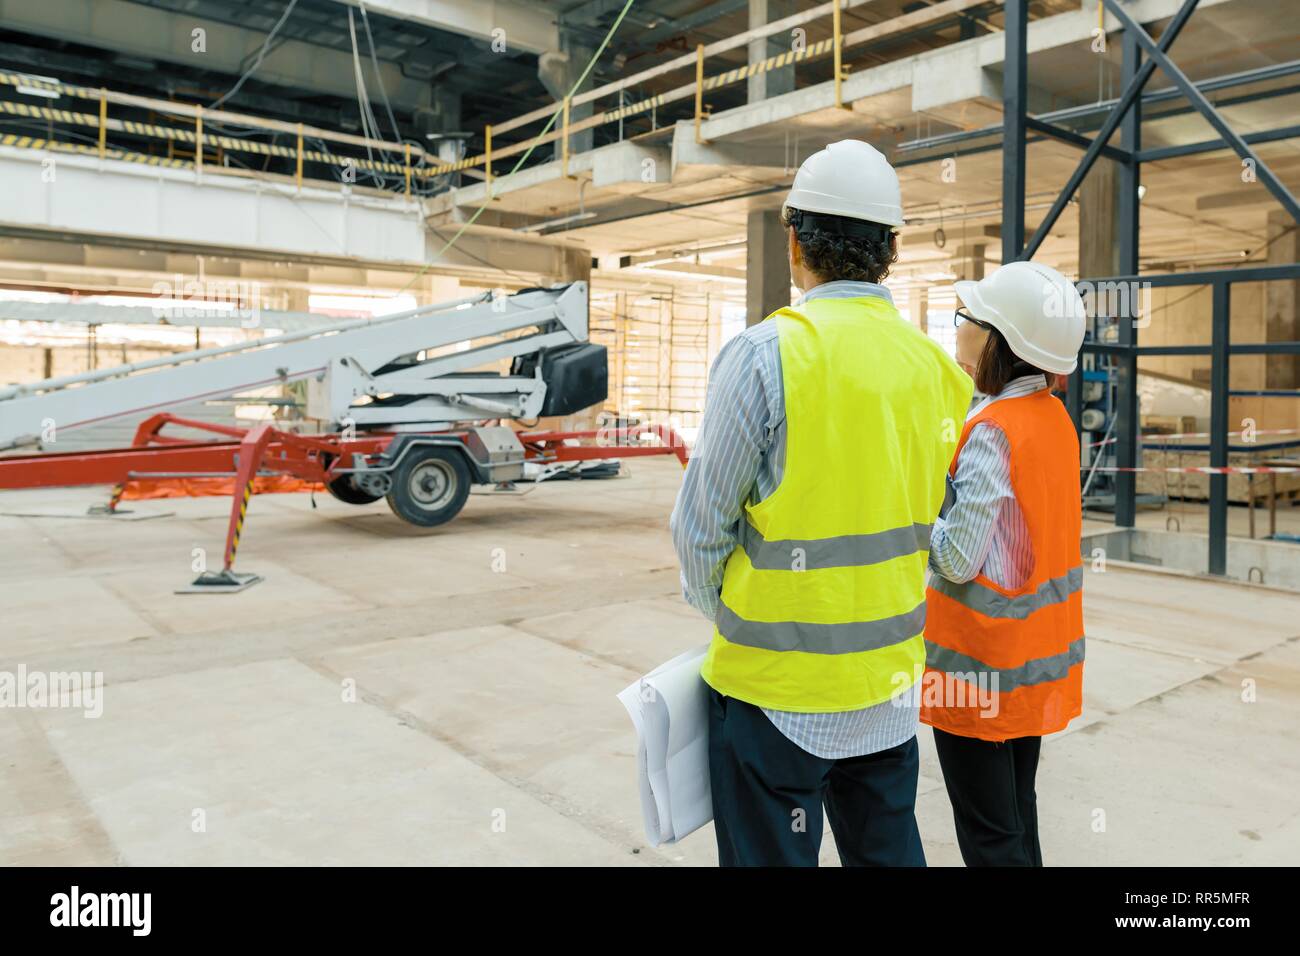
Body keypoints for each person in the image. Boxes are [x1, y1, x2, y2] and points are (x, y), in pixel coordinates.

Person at [670, 140, 973, 867]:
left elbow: (700, 530)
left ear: (794, 241)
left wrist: (738, 615)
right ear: (892, 251)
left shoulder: (763, 355)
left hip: (772, 693)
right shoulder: (938, 372)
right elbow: (941, 531)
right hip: (887, 688)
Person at [920, 260, 1087, 867]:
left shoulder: (994, 428)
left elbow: (960, 560)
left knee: (990, 834)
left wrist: (912, 516)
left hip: (979, 665)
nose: (957, 325)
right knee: (1016, 815)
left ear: (998, 338)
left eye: (966, 317)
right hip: (1030, 662)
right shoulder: (1053, 419)